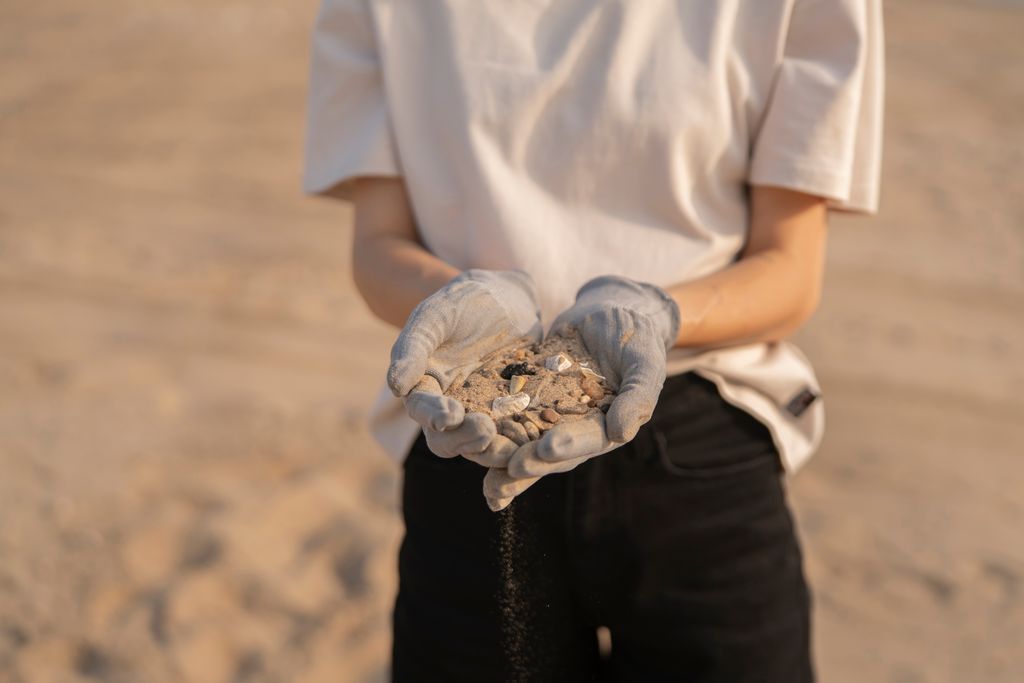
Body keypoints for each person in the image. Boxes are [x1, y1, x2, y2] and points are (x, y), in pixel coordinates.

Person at [304, 1, 883, 680]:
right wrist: (462, 301)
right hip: (471, 438)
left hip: (702, 454)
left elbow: (791, 269)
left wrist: (656, 314)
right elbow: (377, 245)